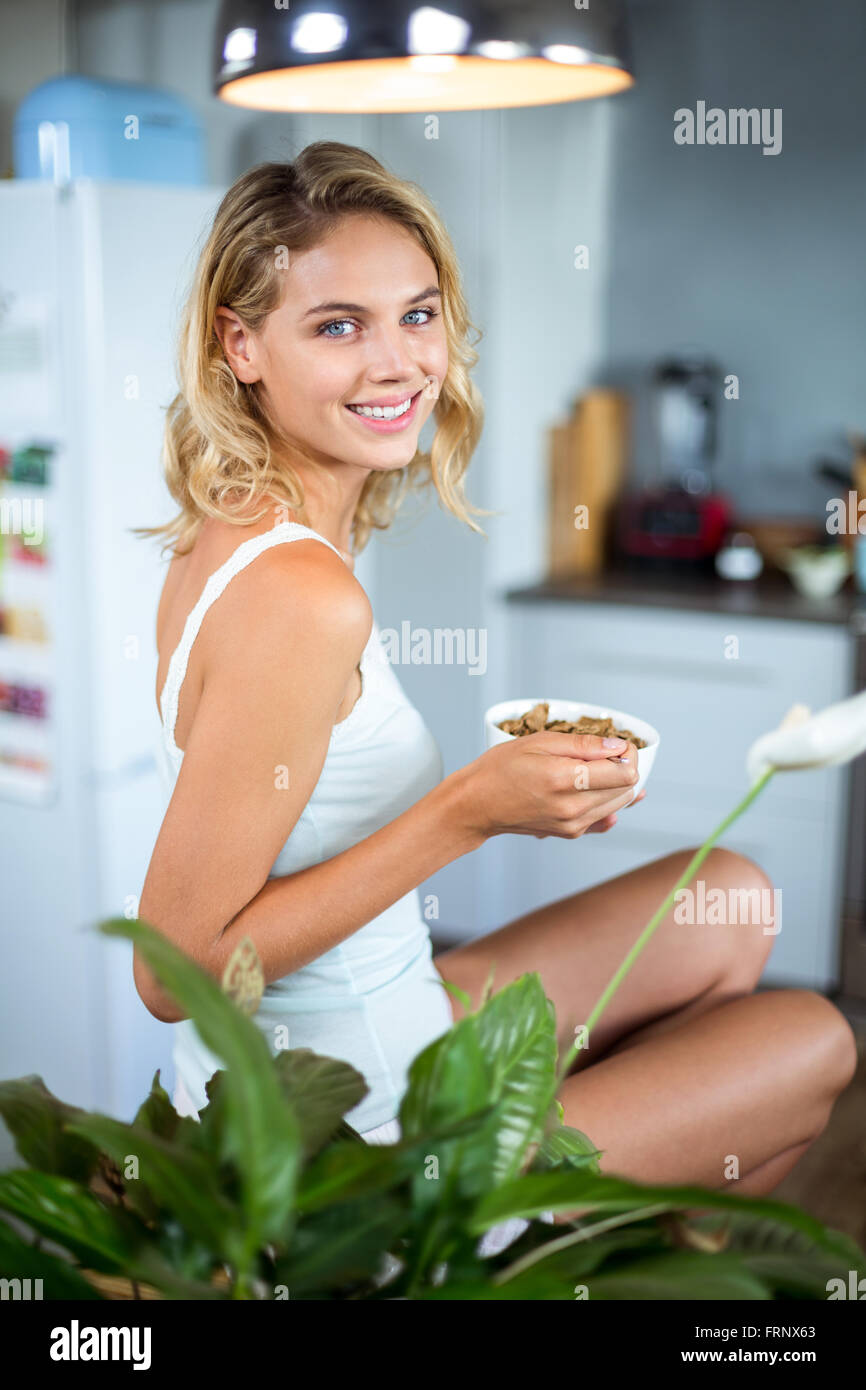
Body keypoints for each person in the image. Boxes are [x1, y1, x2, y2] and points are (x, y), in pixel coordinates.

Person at [135, 142, 856, 1193]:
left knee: (730, 898)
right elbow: (174, 973)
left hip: (384, 1003)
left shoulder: (237, 526)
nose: (398, 363)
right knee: (815, 1039)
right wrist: (469, 809)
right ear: (240, 345)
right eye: (338, 325)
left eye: (417, 315)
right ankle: (540, 1226)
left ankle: (601, 1206)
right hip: (347, 1127)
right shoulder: (301, 595)